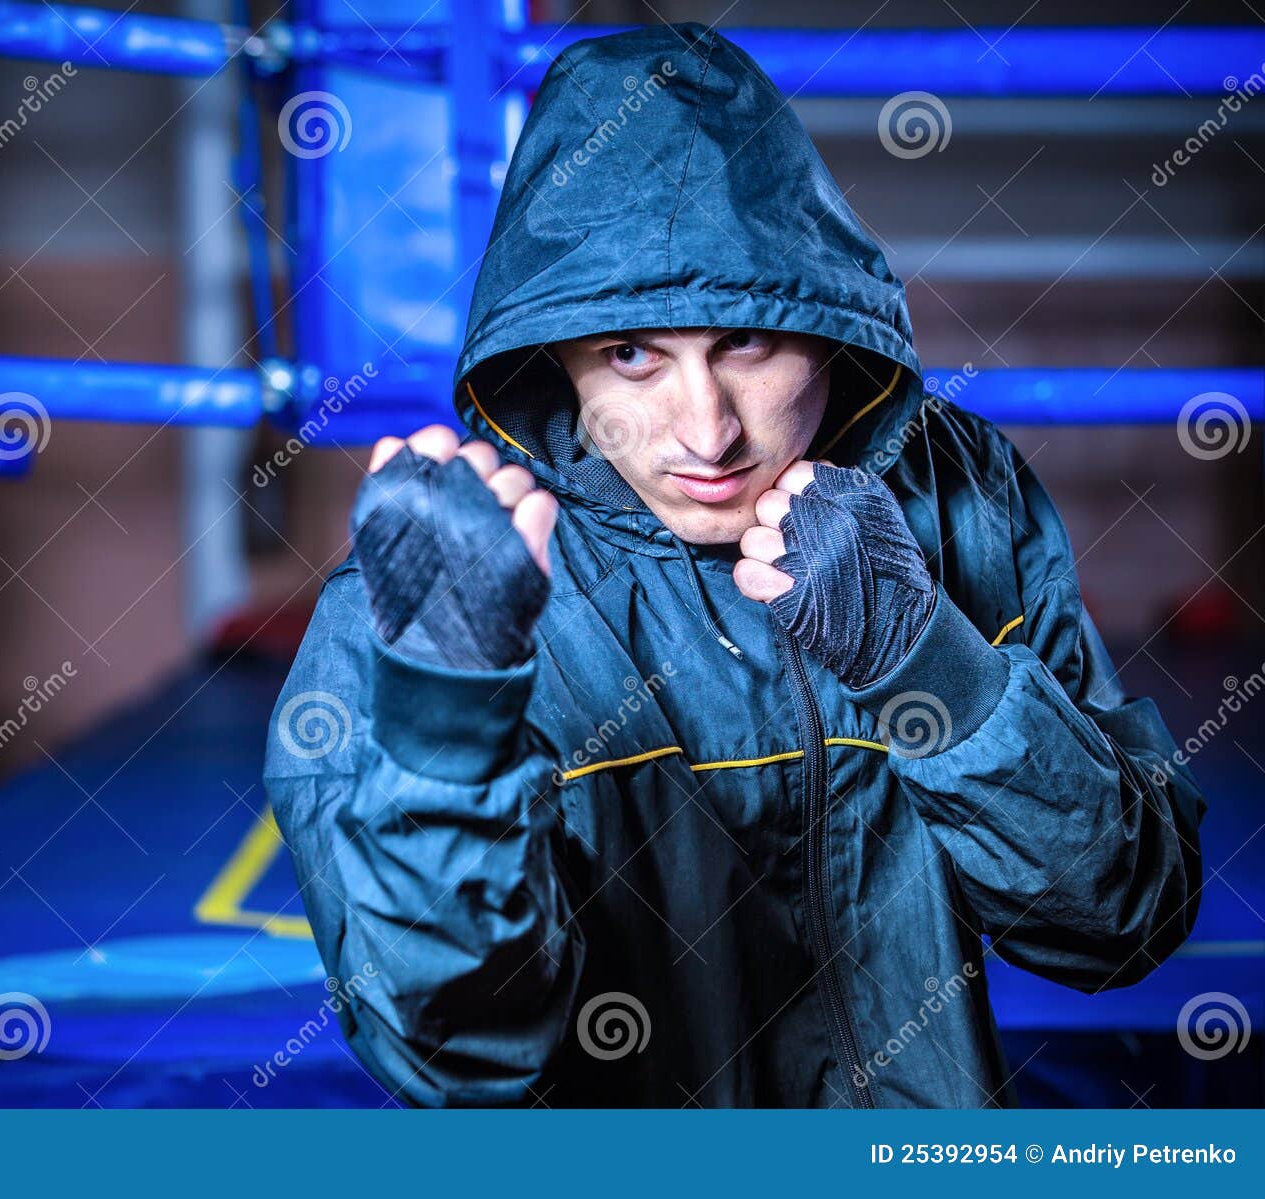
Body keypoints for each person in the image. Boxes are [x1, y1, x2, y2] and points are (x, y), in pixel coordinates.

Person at [264, 22, 1204, 1108]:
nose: (706, 431)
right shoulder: (430, 595)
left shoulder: (956, 495)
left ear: (825, 322)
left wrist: (931, 668)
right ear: (551, 353)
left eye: (748, 342)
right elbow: (454, 1053)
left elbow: (1125, 916)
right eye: (633, 353)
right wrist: (446, 718)